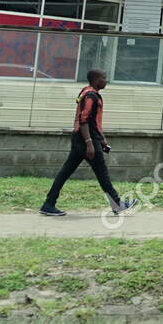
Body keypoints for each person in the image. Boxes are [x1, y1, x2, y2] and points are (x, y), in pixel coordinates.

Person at [40, 69, 136, 216]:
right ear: (96, 79)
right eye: (104, 78)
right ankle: (117, 205)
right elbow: (84, 120)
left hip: (82, 138)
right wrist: (90, 143)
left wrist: (102, 138)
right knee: (102, 173)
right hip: (86, 140)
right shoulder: (90, 96)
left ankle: (49, 204)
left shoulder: (86, 92)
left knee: (65, 172)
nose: (106, 80)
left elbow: (92, 121)